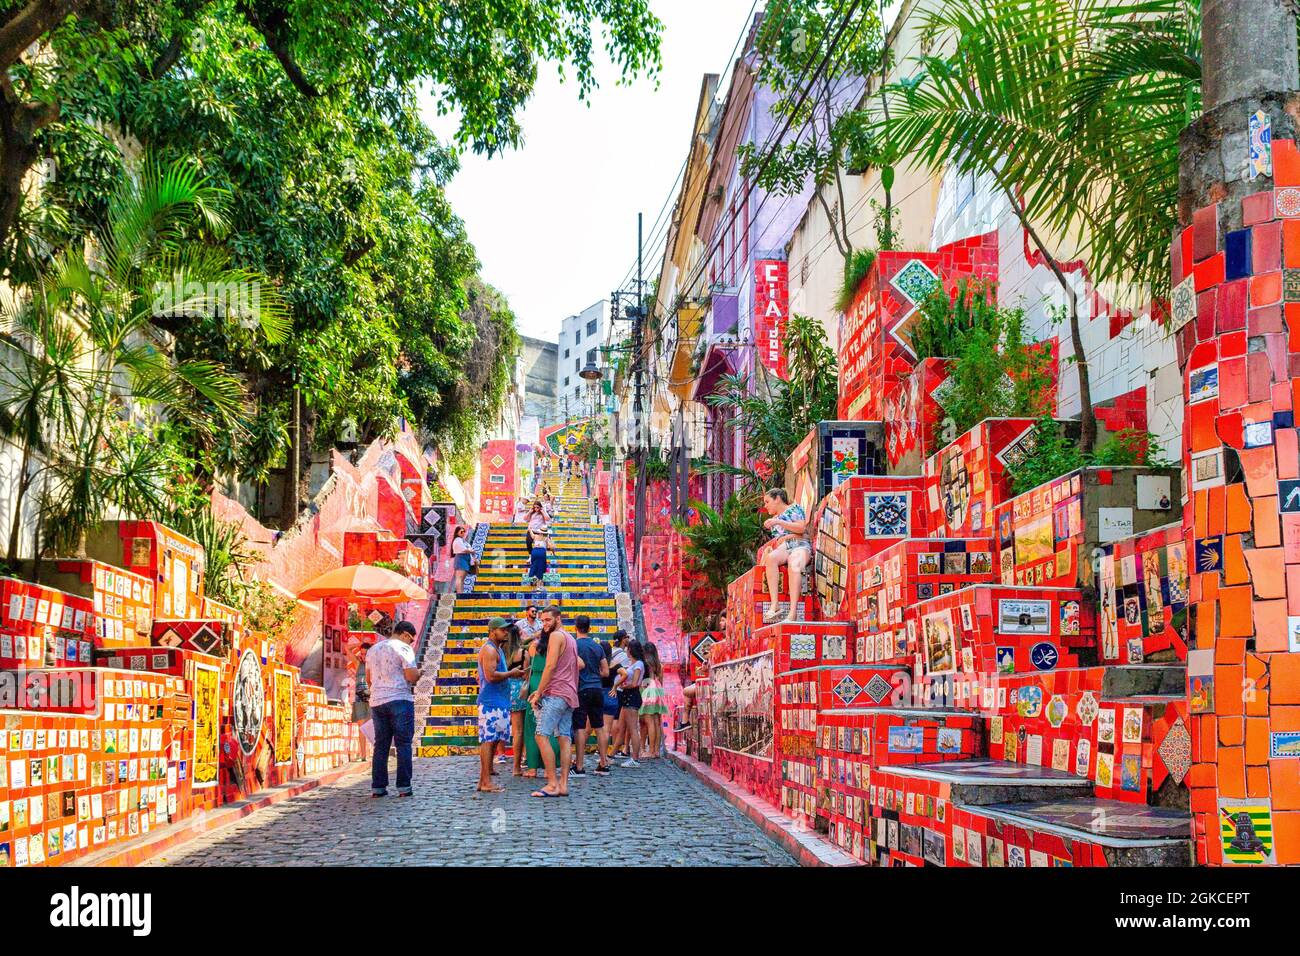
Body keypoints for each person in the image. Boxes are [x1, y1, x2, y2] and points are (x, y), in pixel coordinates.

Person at [528, 605, 579, 797]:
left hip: (556, 692)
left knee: (541, 735)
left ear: (558, 619)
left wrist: (539, 692)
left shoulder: (557, 636)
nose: (544, 624)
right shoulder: (571, 638)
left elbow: (549, 666)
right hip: (568, 693)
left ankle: (551, 784)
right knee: (564, 738)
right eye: (543, 621)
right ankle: (563, 786)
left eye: (548, 620)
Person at [367, 620, 421, 797]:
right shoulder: (404, 648)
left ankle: (378, 787)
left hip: (377, 701)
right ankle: (404, 787)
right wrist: (420, 673)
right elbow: (411, 676)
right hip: (399, 699)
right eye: (411, 639)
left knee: (380, 745)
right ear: (405, 634)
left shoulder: (373, 649)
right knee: (403, 744)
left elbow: (369, 679)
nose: (411, 643)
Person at [476, 617, 524, 792]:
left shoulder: (498, 649)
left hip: (498, 701)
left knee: (494, 739)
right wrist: (511, 673)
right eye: (502, 630)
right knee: (488, 741)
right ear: (492, 631)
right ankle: (486, 781)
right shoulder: (489, 650)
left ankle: (485, 777)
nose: (506, 632)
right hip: (491, 703)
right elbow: (490, 676)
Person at [760, 487, 811, 624]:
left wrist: (779, 522)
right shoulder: (774, 519)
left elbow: (801, 529)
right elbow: (781, 539)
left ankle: (793, 612)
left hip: (800, 545)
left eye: (767, 501)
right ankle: (774, 604)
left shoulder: (794, 508)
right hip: (785, 547)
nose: (765, 506)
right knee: (771, 558)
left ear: (777, 499)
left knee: (794, 564)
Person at [570, 615, 611, 777]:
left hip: (581, 689)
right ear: (589, 627)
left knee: (579, 727)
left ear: (575, 627)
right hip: (597, 689)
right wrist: (595, 675)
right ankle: (603, 763)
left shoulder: (573, 645)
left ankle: (579, 766)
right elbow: (606, 671)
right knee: (599, 726)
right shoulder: (597, 647)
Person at [611, 638, 646, 768]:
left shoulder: (639, 665)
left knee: (632, 729)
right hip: (627, 696)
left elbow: (635, 683)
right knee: (621, 728)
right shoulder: (633, 664)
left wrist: (623, 686)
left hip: (632, 696)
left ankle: (635, 758)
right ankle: (611, 755)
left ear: (631, 650)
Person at [638, 642, 667, 760]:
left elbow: (645, 681)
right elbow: (661, 681)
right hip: (658, 691)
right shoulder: (659, 665)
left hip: (647, 690)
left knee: (648, 721)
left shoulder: (646, 664)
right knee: (657, 722)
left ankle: (649, 750)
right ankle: (656, 750)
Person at [528, 522, 554, 586]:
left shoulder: (536, 536)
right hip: (541, 552)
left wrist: (530, 529)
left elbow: (531, 534)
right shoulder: (546, 538)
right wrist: (553, 552)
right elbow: (551, 547)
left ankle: (534, 577)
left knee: (534, 564)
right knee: (541, 566)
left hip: (534, 551)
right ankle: (539, 581)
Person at [451, 526, 473, 593]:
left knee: (462, 578)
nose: (463, 533)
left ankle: (461, 592)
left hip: (464, 559)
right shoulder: (458, 540)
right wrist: (471, 551)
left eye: (464, 531)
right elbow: (464, 549)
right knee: (459, 577)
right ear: (457, 532)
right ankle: (459, 592)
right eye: (461, 532)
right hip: (461, 558)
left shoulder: (462, 540)